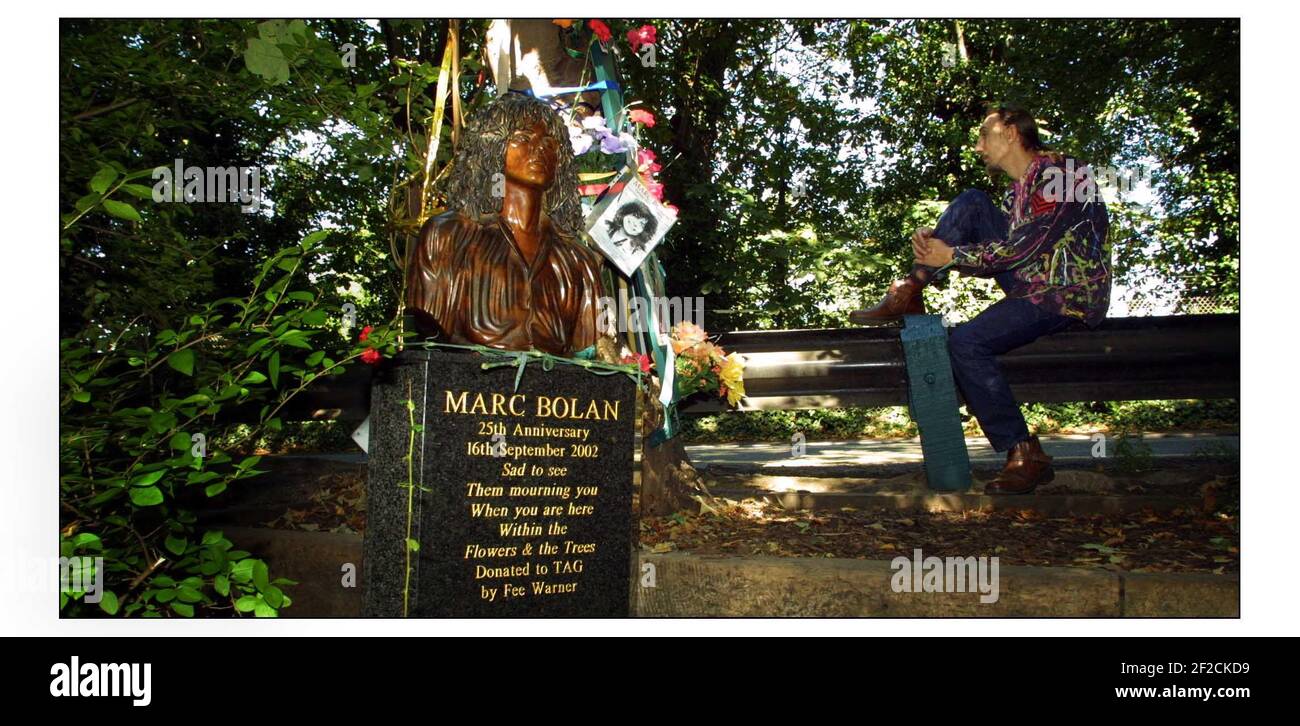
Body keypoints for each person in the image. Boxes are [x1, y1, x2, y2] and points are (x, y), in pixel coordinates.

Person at [851, 105, 1111, 494]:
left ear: (1010, 132)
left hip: (1065, 294)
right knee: (972, 201)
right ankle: (911, 289)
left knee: (965, 342)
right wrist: (937, 246)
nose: (977, 146)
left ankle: (1024, 452)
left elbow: (1023, 247)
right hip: (1031, 284)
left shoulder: (1063, 175)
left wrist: (950, 254)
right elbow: (993, 253)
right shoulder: (1015, 194)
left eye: (983, 134)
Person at [406, 93, 605, 357]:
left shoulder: (579, 260)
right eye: (523, 139)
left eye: (549, 142)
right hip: (465, 390)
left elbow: (592, 342)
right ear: (493, 147)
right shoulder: (448, 237)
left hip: (557, 390)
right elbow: (429, 333)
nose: (539, 150)